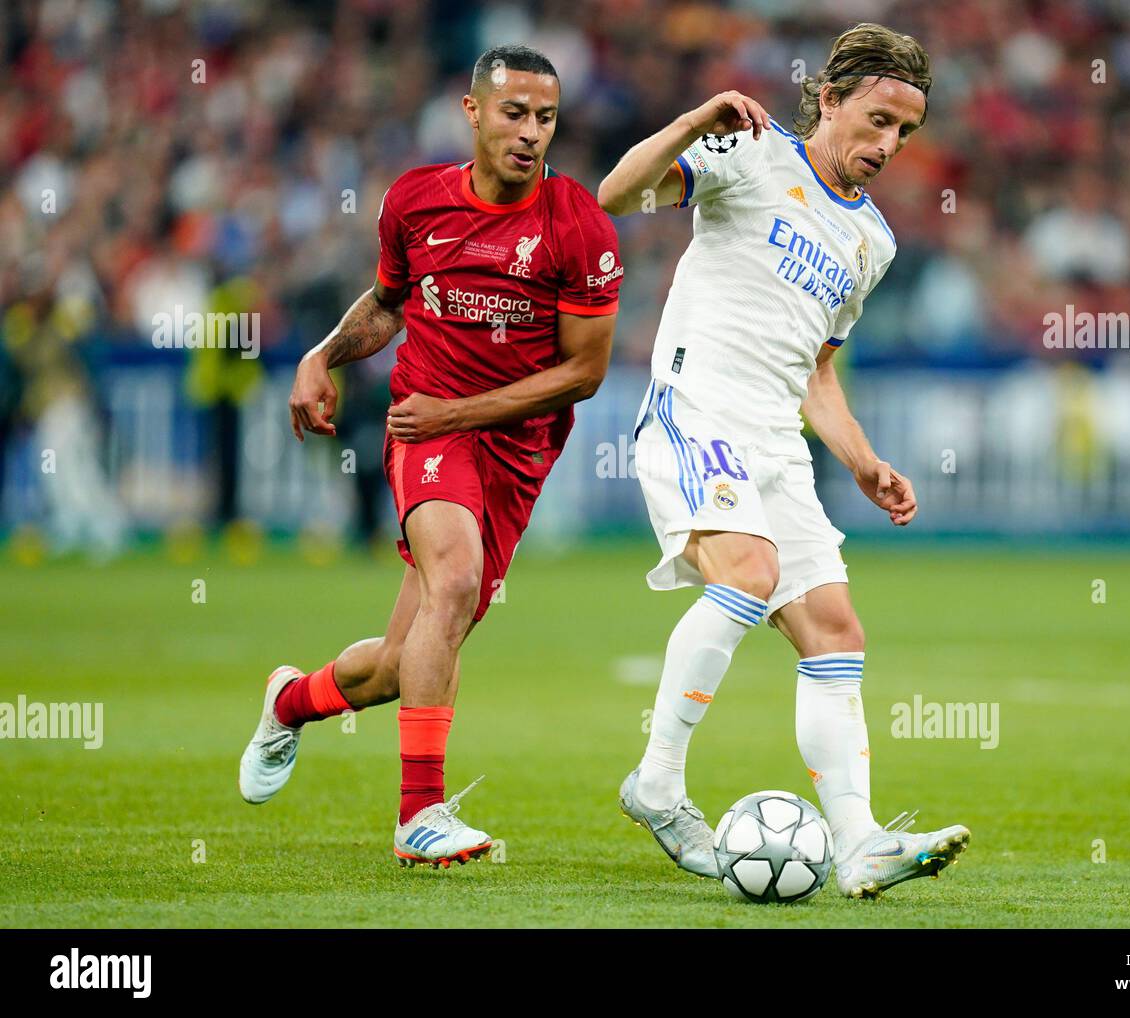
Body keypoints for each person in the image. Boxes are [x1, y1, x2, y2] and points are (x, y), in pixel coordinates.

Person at [597, 22, 969, 899]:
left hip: (775, 446)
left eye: (905, 132)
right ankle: (657, 780)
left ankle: (862, 843)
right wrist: (693, 123)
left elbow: (816, 369)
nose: (888, 145)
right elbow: (616, 194)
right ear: (830, 98)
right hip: (695, 414)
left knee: (836, 628)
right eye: (877, 119)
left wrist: (862, 459)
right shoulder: (750, 156)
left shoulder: (871, 242)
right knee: (751, 570)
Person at [238, 45, 622, 868]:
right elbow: (386, 304)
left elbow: (584, 373)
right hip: (427, 429)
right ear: (473, 112)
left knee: (400, 664)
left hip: (515, 455)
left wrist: (467, 408)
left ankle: (290, 701)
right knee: (450, 580)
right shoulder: (415, 200)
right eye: (514, 113)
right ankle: (420, 815)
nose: (530, 133)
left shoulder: (579, 225)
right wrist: (321, 356)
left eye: (545, 118)